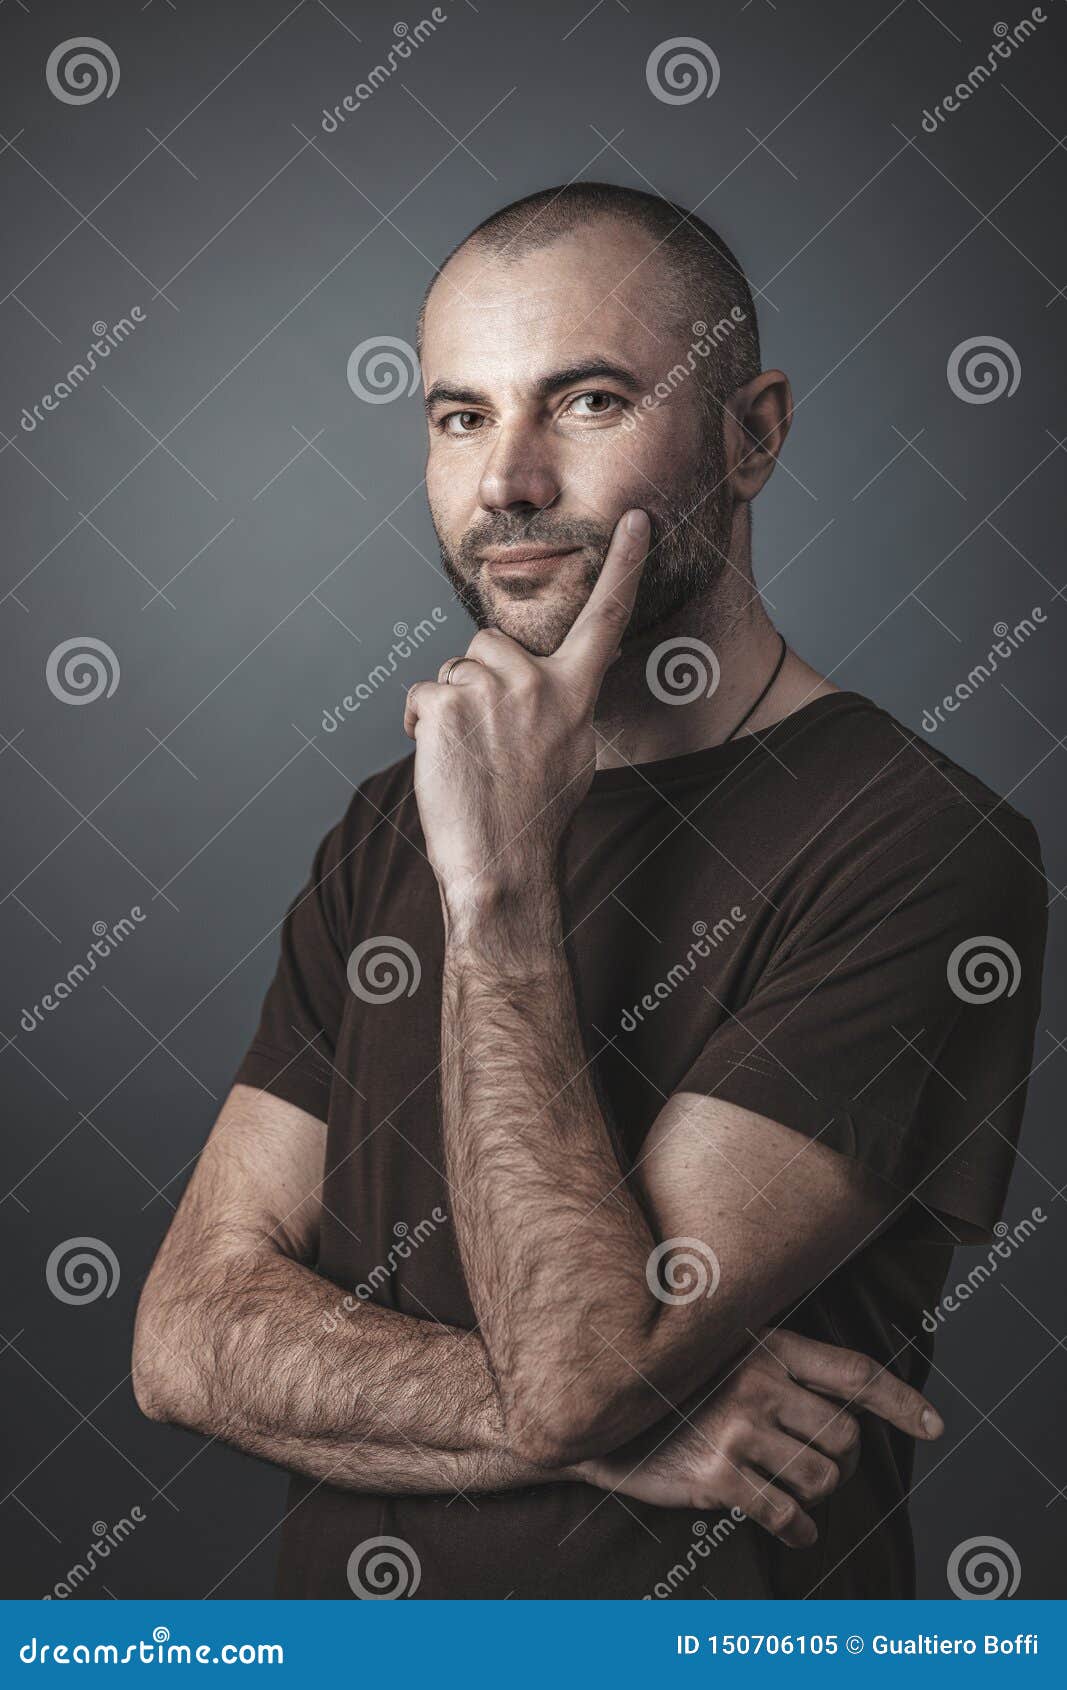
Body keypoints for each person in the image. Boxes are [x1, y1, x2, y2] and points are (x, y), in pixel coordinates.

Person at [132, 183, 1046, 1599]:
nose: (508, 480)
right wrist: (604, 1433)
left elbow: (580, 1372)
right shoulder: (392, 823)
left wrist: (497, 888)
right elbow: (186, 1337)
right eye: (461, 416)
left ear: (754, 435)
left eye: (592, 400)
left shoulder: (918, 844)